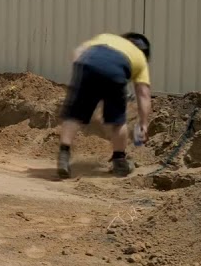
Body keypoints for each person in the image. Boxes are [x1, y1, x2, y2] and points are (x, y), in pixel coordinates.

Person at [57, 32, 152, 179]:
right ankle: (119, 162)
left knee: (74, 115)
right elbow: (143, 94)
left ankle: (63, 155)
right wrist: (144, 123)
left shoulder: (106, 37)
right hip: (115, 73)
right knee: (118, 121)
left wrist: (82, 76)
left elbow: (77, 53)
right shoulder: (140, 58)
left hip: (87, 66)